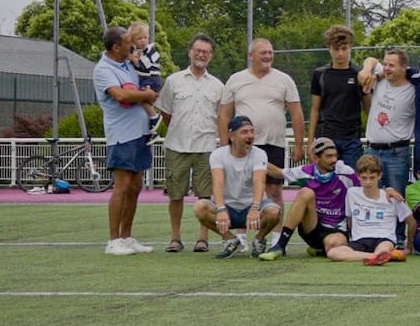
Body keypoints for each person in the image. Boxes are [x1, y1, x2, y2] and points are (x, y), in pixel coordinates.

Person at [155, 33, 225, 251]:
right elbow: (166, 113)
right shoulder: (173, 81)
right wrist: (180, 130)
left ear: (211, 56)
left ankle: (203, 239)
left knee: (205, 196)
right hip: (177, 146)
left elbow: (221, 117)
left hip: (206, 148)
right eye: (198, 50)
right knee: (175, 195)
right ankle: (175, 238)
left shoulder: (217, 86)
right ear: (190, 52)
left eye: (206, 52)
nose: (201, 55)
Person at [94, 26, 157, 255]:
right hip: (121, 135)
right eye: (128, 42)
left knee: (135, 187)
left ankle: (127, 237)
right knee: (122, 187)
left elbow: (145, 81)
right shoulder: (103, 69)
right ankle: (113, 241)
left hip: (140, 134)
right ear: (115, 47)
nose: (133, 44)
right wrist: (146, 95)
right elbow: (120, 95)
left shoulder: (129, 64)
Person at [193, 115, 283, 258]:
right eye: (244, 132)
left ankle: (259, 239)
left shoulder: (259, 154)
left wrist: (255, 207)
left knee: (274, 212)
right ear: (232, 137)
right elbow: (217, 183)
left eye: (252, 131)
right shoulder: (218, 155)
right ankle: (231, 240)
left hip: (253, 208)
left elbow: (259, 182)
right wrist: (221, 209)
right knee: (200, 207)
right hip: (228, 209)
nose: (250, 136)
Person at [259, 138, 358, 260]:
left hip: (337, 228)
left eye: (335, 156)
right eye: (329, 156)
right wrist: (256, 157)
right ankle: (280, 246)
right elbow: (277, 172)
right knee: (306, 192)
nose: (334, 160)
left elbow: (363, 191)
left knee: (334, 244)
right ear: (316, 158)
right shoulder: (305, 171)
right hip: (312, 227)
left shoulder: (345, 172)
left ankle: (320, 249)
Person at [219, 38, 307, 172]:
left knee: (273, 185)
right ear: (251, 55)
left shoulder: (285, 80)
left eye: (270, 53)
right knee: (242, 184)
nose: (268, 56)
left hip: (274, 145)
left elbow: (296, 114)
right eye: (263, 53)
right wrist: (224, 146)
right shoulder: (235, 79)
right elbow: (224, 115)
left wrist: (299, 145)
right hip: (242, 145)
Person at [356, 48, 418, 196]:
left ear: (404, 68)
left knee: (396, 198)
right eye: (385, 64)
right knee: (370, 197)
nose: (386, 68)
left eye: (392, 65)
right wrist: (367, 71)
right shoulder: (380, 80)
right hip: (371, 150)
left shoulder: (414, 90)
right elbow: (371, 60)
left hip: (397, 153)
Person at [307, 25, 369, 163]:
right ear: (329, 48)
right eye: (336, 49)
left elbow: (368, 109)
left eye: (344, 48)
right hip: (326, 136)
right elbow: (315, 108)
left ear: (351, 47)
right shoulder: (320, 74)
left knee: (350, 176)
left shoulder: (360, 74)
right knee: (326, 176)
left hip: (351, 139)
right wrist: (311, 140)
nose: (340, 53)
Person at [339, 154, 412, 266]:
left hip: (384, 239)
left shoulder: (392, 197)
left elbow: (412, 222)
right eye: (364, 178)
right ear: (358, 176)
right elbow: (350, 220)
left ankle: (379, 255)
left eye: (372, 177)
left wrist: (409, 247)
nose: (368, 182)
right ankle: (375, 257)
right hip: (360, 240)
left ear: (380, 176)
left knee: (384, 248)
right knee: (333, 253)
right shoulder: (351, 193)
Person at [127, 22, 164, 143]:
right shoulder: (137, 50)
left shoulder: (150, 50)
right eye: (139, 38)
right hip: (145, 79)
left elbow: (145, 66)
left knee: (139, 98)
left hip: (151, 79)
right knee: (142, 103)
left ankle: (155, 116)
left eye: (145, 37)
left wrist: (133, 58)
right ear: (133, 40)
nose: (143, 41)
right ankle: (153, 130)